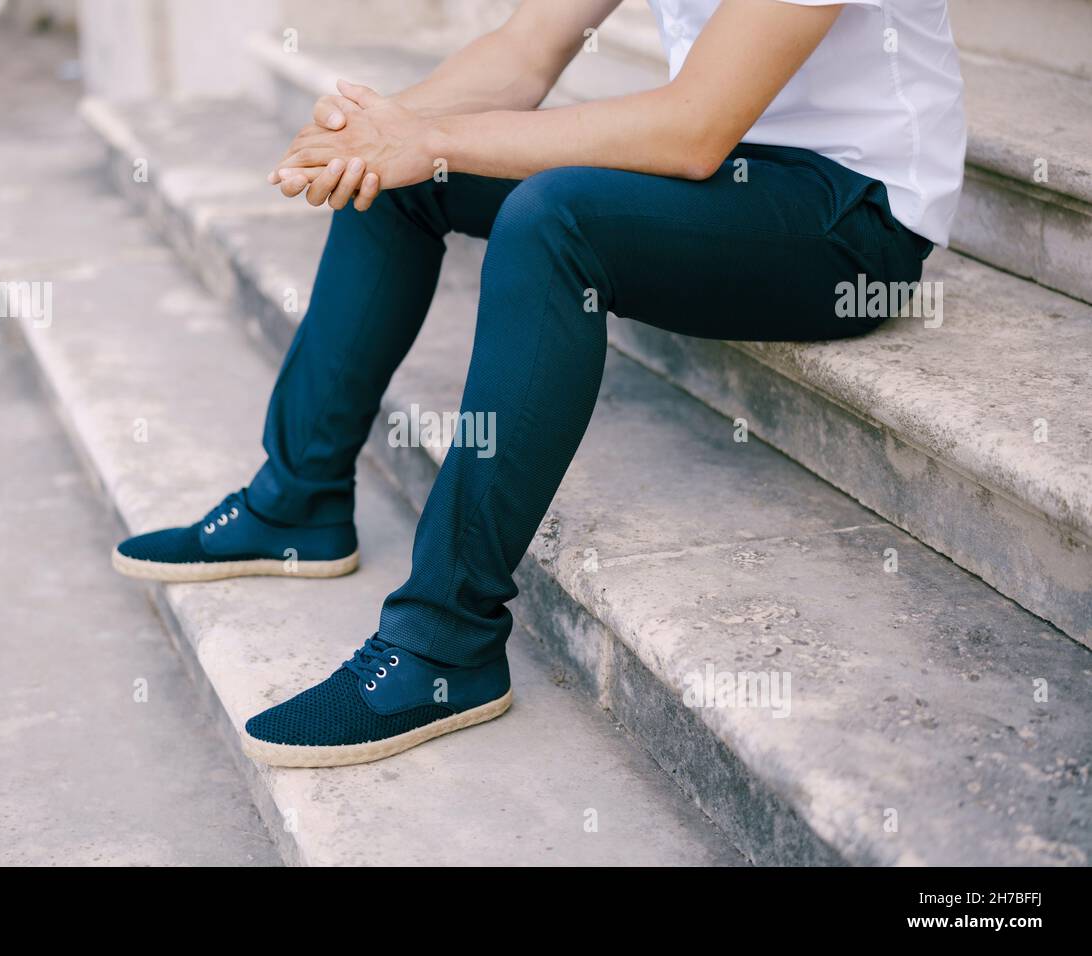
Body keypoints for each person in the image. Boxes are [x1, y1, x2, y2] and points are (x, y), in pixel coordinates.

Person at [113, 0, 963, 767]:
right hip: (724, 174)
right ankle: (294, 502)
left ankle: (445, 645)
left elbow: (692, 127)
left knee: (548, 218)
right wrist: (377, 130)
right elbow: (524, 50)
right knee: (402, 178)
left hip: (851, 217)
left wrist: (430, 140)